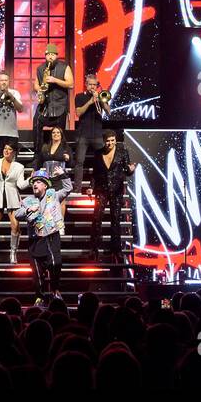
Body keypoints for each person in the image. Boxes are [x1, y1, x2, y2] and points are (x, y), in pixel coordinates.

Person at [16, 170, 72, 306]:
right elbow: (17, 214)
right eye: (34, 182)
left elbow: (67, 188)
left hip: (51, 236)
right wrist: (29, 210)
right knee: (36, 271)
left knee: (55, 263)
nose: (35, 184)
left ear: (45, 185)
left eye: (38, 182)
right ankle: (39, 297)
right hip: (35, 239)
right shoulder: (28, 201)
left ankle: (54, 290)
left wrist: (63, 175)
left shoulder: (53, 195)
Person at [89, 130, 137, 262]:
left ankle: (116, 250)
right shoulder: (98, 153)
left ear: (115, 140)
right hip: (101, 190)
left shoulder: (123, 152)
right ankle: (94, 249)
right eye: (107, 141)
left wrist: (131, 170)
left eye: (112, 140)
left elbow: (127, 170)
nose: (110, 143)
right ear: (104, 141)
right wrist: (90, 187)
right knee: (96, 219)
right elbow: (94, 174)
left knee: (115, 221)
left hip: (116, 191)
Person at [72, 70, 110, 192]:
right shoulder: (79, 96)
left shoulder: (101, 96)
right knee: (79, 162)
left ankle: (95, 187)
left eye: (95, 85)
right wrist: (89, 102)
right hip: (83, 134)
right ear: (86, 84)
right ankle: (77, 189)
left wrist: (102, 102)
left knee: (99, 162)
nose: (92, 87)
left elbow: (109, 111)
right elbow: (78, 113)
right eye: (90, 84)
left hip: (98, 134)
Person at [33, 43, 72, 145]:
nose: (50, 56)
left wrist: (55, 80)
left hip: (60, 105)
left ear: (56, 55)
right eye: (48, 54)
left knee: (59, 132)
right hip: (45, 105)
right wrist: (39, 90)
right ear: (45, 56)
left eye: (53, 54)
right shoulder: (40, 68)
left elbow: (70, 84)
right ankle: (38, 153)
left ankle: (58, 151)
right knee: (36, 122)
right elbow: (36, 84)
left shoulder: (64, 67)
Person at [37, 126, 74, 225]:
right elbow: (39, 161)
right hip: (47, 179)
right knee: (47, 200)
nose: (56, 134)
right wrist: (34, 170)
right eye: (54, 133)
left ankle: (60, 225)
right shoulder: (45, 147)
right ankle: (48, 223)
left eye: (58, 133)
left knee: (61, 201)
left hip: (60, 178)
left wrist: (68, 159)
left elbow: (72, 163)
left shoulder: (66, 148)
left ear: (61, 135)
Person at [0, 70, 23, 161]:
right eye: (1, 80)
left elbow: (20, 109)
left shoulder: (15, 93)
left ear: (9, 81)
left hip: (11, 134)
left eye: (6, 80)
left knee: (10, 161)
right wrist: (0, 94)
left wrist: (11, 96)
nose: (4, 82)